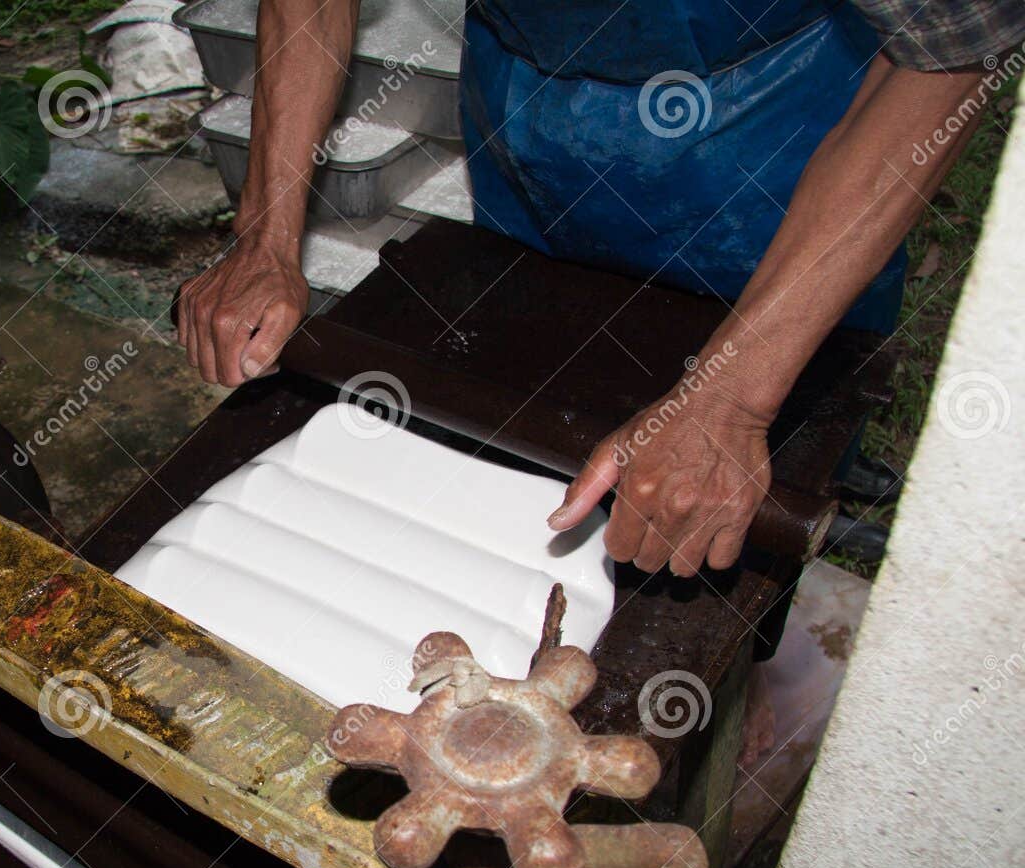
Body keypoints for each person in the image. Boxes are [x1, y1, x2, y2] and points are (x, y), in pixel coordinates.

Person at [177, 1, 1024, 576]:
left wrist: (729, 404)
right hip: (523, 93)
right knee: (526, 398)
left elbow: (953, 46)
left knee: (743, 469)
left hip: (771, 120)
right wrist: (264, 235)